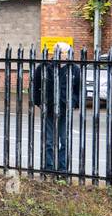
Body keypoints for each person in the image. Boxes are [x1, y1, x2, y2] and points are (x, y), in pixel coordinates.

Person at [31, 41, 81, 175]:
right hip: (49, 108)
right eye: (66, 53)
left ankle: (63, 168)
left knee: (64, 140)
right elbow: (35, 86)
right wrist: (39, 102)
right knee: (49, 141)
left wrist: (74, 103)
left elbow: (79, 89)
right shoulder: (43, 67)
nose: (67, 56)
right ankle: (49, 167)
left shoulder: (74, 69)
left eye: (68, 53)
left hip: (65, 108)